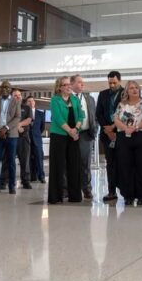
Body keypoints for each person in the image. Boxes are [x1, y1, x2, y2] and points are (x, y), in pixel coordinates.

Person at [113, 80, 142, 207]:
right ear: (126, 91)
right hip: (124, 137)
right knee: (125, 166)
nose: (134, 90)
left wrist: (136, 127)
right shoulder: (121, 105)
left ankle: (141, 195)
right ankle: (128, 195)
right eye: (131, 88)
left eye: (136, 87)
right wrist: (126, 128)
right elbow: (116, 119)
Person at [48, 76, 83, 204]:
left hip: (74, 136)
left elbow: (81, 115)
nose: (69, 86)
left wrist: (76, 129)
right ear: (59, 87)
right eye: (65, 84)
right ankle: (56, 196)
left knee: (74, 165)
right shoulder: (55, 100)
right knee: (58, 166)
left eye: (69, 84)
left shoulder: (75, 99)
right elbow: (57, 118)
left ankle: (75, 196)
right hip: (59, 136)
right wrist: (70, 131)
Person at [0, 81, 22, 195]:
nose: (4, 89)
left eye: (7, 87)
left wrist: (6, 128)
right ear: (0, 89)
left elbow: (17, 117)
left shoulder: (16, 102)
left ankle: (11, 186)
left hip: (11, 135)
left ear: (10, 89)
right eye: (2, 87)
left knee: (11, 161)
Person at [95, 71, 124, 201]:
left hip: (122, 134)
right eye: (110, 82)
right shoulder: (103, 94)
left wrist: (114, 128)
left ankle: (126, 190)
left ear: (119, 81)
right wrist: (107, 129)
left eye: (114, 82)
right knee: (110, 163)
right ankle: (111, 191)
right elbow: (99, 113)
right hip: (106, 134)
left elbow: (126, 114)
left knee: (124, 163)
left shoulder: (125, 93)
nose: (112, 85)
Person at [71, 75, 97, 200]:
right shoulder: (67, 98)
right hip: (70, 135)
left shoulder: (89, 99)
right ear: (72, 84)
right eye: (79, 82)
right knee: (70, 163)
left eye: (83, 82)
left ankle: (86, 189)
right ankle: (69, 189)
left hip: (86, 134)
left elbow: (94, 116)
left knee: (85, 164)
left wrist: (95, 130)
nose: (82, 84)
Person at [12, 89, 33, 190]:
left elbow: (29, 120)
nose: (18, 97)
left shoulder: (27, 107)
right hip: (12, 137)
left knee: (25, 161)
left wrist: (20, 124)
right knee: (8, 160)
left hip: (24, 137)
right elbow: (8, 120)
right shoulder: (9, 108)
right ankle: (5, 181)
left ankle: (26, 181)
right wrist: (16, 127)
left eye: (19, 95)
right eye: (15, 95)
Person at [25, 96, 46, 184]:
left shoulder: (40, 114)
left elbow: (42, 128)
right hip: (26, 139)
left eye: (32, 101)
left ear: (34, 102)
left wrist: (36, 134)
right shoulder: (24, 113)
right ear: (26, 103)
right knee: (28, 159)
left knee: (39, 158)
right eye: (29, 101)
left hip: (37, 140)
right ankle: (30, 177)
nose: (31, 102)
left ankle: (41, 177)